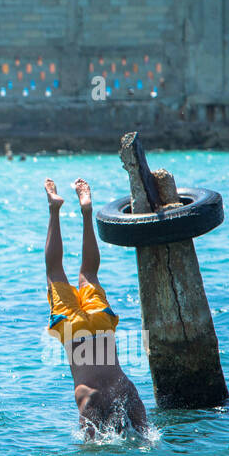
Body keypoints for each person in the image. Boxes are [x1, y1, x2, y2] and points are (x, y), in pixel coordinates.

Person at [43, 177, 150, 439]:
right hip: (119, 385)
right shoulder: (125, 392)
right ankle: (85, 212)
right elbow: (149, 437)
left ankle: (57, 209)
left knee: (75, 272)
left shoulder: (89, 398)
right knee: (146, 439)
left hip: (87, 388)